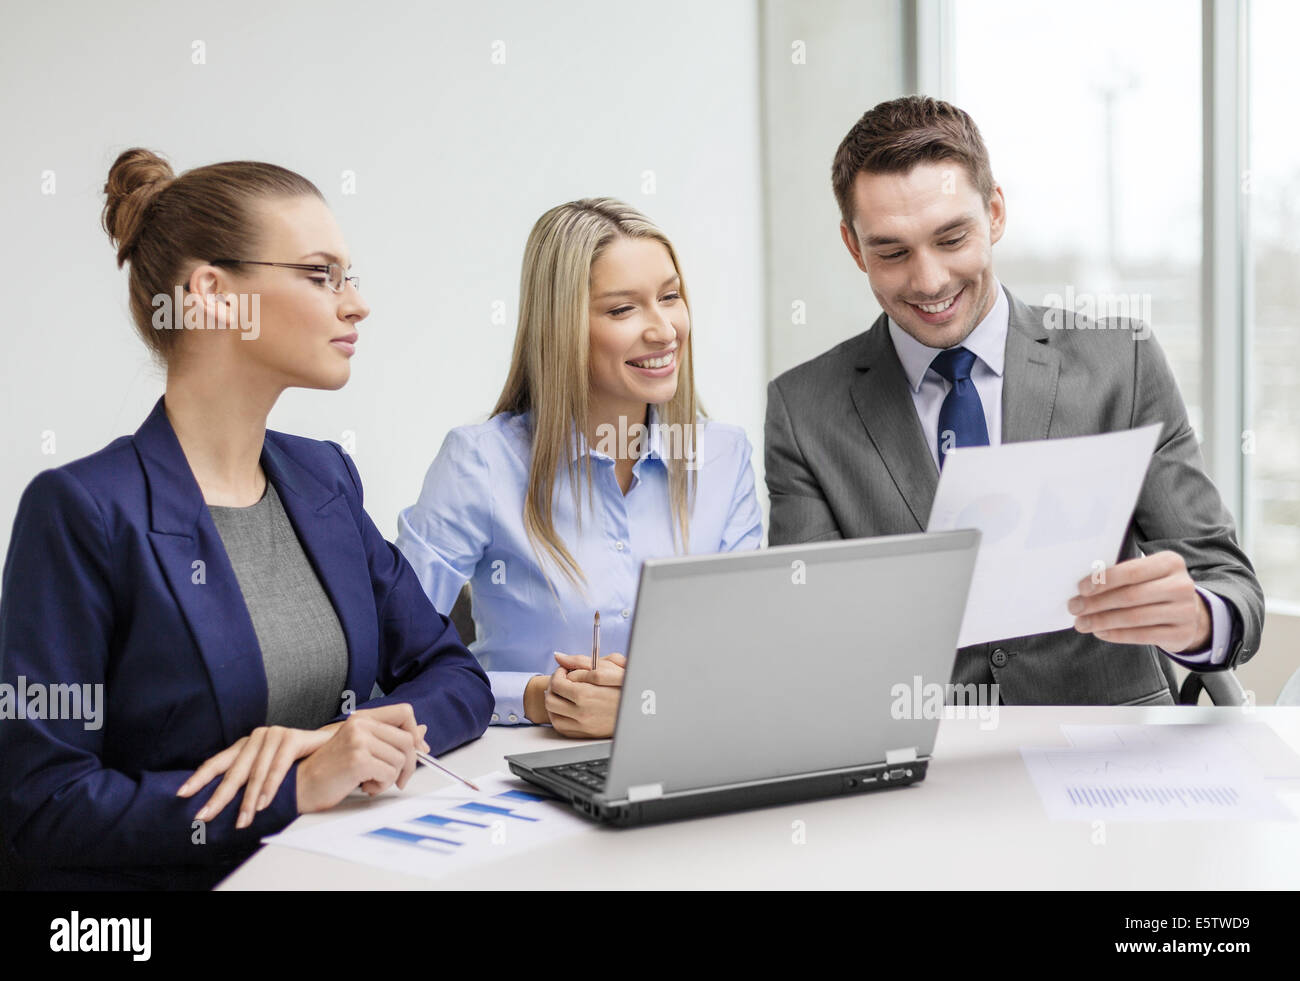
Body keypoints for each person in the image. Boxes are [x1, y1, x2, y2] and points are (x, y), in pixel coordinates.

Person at [0, 149, 493, 890]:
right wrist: (295, 786)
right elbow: (43, 806)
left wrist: (335, 740)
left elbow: (454, 672)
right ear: (212, 293)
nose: (355, 303)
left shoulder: (324, 476)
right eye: (321, 274)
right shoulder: (82, 511)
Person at [764, 96, 1263, 705]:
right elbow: (807, 630)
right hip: (924, 761)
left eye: (951, 238)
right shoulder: (804, 409)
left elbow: (1224, 577)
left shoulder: (1119, 362)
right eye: (892, 252)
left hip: (1109, 747)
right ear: (852, 246)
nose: (928, 281)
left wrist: (1200, 619)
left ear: (994, 212)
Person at [397, 198, 763, 737]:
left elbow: (749, 653)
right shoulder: (480, 462)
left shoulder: (723, 457)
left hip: (688, 749)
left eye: (670, 297)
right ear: (562, 326)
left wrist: (651, 699)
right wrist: (540, 697)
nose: (664, 330)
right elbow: (398, 662)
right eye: (623, 310)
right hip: (524, 769)